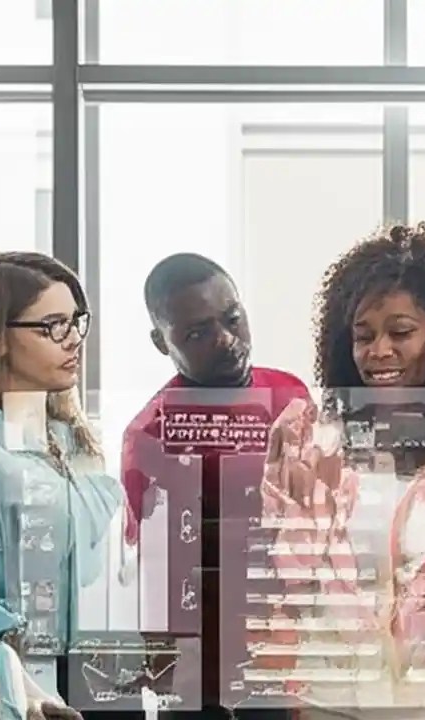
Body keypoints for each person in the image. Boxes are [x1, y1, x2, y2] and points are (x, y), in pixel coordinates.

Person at [260, 222, 425, 720]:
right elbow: (284, 579)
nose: (378, 351)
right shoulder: (303, 437)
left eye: (401, 332)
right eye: (363, 336)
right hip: (328, 695)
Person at [121, 253, 309, 718]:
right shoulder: (152, 433)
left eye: (232, 319)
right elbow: (153, 574)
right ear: (160, 342)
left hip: (294, 655)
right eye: (197, 333)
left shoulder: (291, 394)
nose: (226, 341)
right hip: (205, 678)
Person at [0, 251, 122, 719]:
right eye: (53, 327)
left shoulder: (70, 436)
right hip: (10, 681)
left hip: (89, 671)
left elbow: (92, 567)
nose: (73, 341)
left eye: (76, 323)